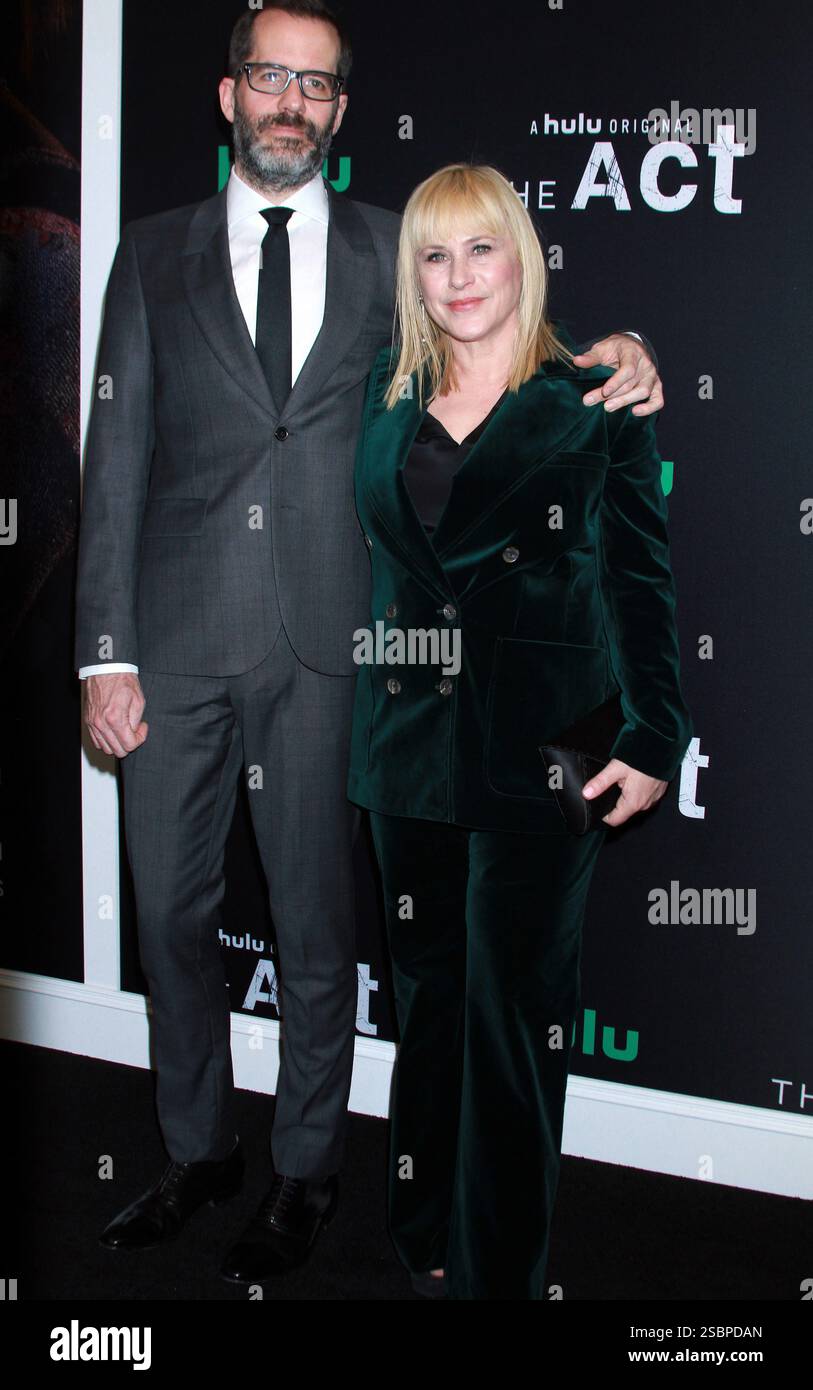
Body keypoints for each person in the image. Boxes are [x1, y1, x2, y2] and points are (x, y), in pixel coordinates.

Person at [74, 1, 664, 1286]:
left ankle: (302, 1169)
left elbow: (510, 329)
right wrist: (101, 649)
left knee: (318, 925)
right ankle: (191, 1148)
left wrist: (627, 353)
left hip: (338, 648)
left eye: (319, 85)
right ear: (230, 95)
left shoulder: (397, 248)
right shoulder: (149, 254)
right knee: (171, 918)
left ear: (340, 110)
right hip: (169, 644)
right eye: (271, 77)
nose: (294, 101)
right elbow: (113, 459)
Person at [347, 163, 693, 1301]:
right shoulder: (385, 403)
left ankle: (501, 1270)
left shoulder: (591, 393)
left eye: (481, 248)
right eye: (435, 256)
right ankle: (425, 1227)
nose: (458, 277)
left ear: (523, 256)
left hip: (550, 757)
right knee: (429, 1006)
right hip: (405, 760)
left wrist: (652, 738)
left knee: (514, 1023)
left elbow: (642, 581)